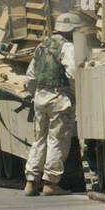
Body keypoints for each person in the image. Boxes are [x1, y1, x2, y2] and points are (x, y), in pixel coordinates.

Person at [23, 12, 81, 196]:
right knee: (57, 139)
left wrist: (36, 94)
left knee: (39, 139)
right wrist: (75, 93)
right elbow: (72, 72)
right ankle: (50, 182)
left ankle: (31, 181)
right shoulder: (67, 47)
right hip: (59, 98)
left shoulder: (41, 46)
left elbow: (30, 77)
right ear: (71, 31)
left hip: (40, 97)